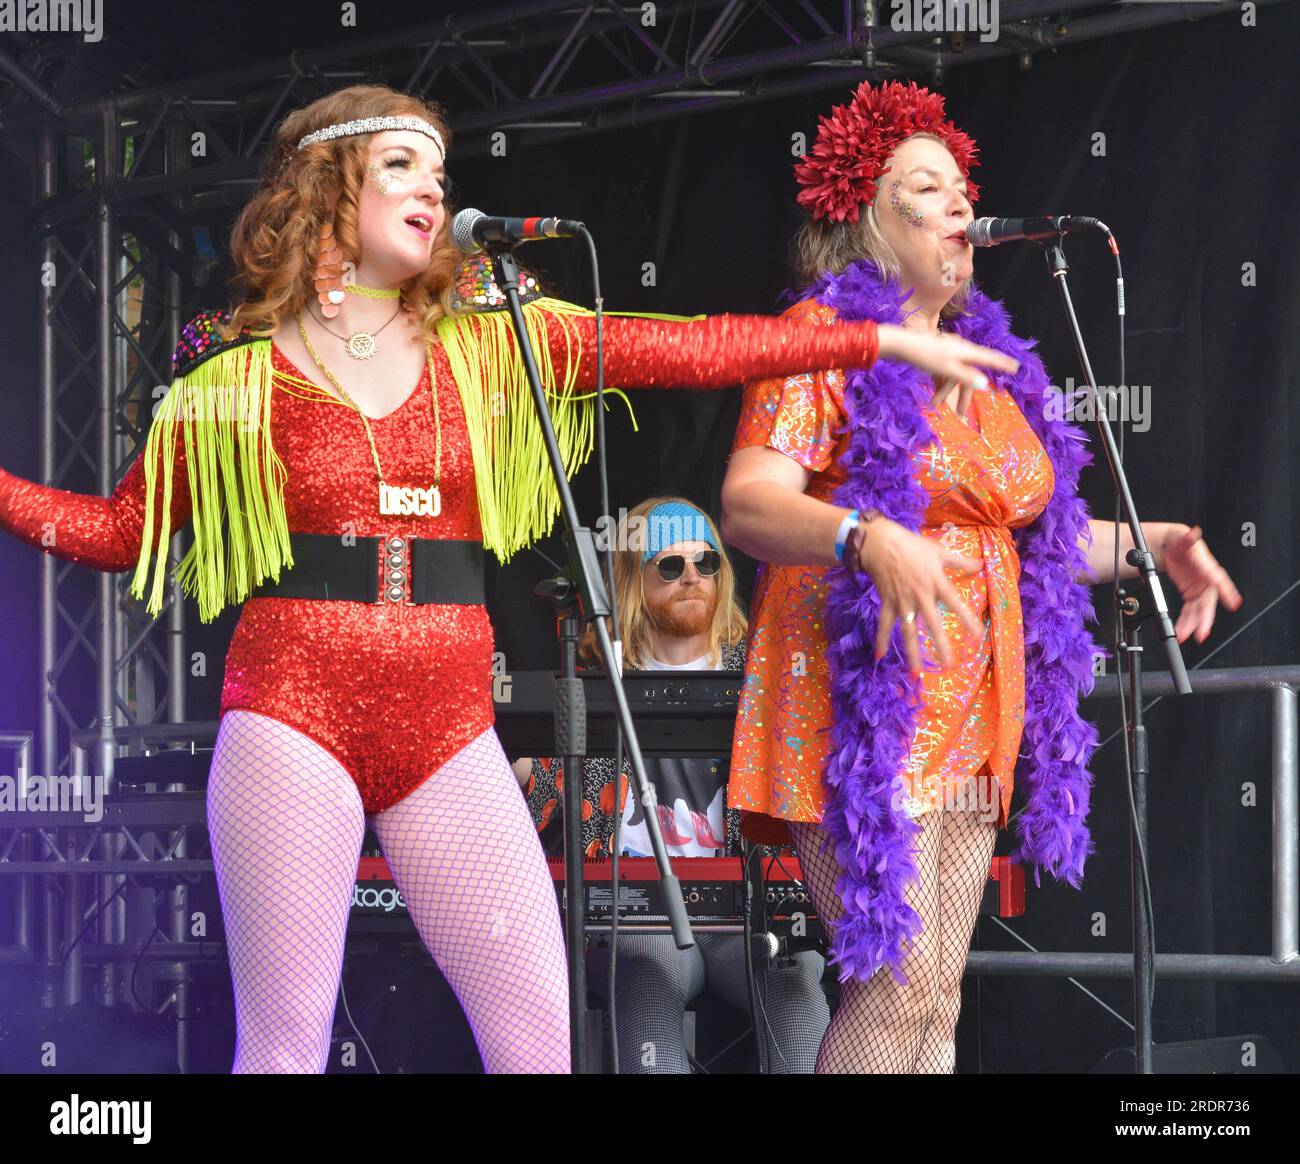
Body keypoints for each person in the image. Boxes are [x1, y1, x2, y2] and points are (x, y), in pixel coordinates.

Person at [0, 84, 1016, 1074]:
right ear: (326, 191)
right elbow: (116, 529)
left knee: (539, 1038)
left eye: (440, 171)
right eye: (400, 165)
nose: (433, 189)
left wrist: (870, 337)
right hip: (289, 711)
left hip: (444, 724)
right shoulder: (236, 380)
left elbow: (694, 349)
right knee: (284, 1045)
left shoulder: (494, 347)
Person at [721, 79, 1244, 1074]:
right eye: (927, 186)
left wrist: (1155, 540)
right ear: (859, 218)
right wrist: (864, 536)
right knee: (893, 989)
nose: (962, 204)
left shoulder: (983, 366)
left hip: (974, 709)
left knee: (938, 1003)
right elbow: (748, 505)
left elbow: (1031, 543)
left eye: (963, 185)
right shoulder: (819, 347)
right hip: (858, 701)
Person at [517, 498, 830, 1073]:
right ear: (634, 580)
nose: (691, 576)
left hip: (744, 917)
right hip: (640, 919)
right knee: (645, 967)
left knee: (795, 975)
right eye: (669, 565)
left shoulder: (767, 680)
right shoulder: (594, 682)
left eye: (705, 562)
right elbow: (539, 794)